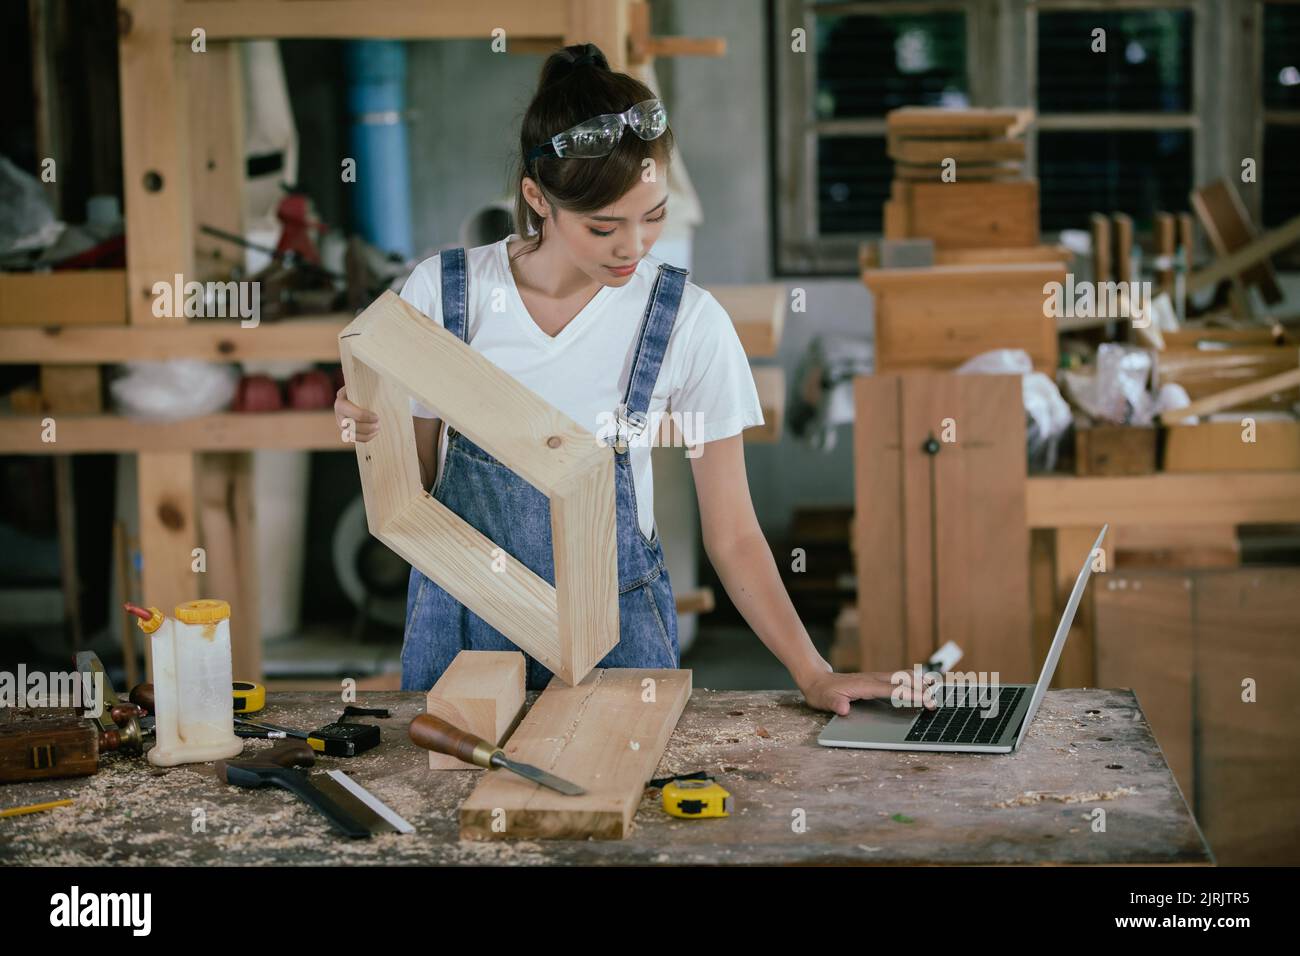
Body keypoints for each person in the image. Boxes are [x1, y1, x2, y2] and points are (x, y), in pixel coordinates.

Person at [334, 43, 930, 715]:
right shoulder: (446, 295)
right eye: (603, 226)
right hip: (464, 628)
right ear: (536, 198)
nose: (633, 247)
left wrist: (813, 671)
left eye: (652, 217)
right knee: (445, 806)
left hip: (613, 641)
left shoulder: (684, 322)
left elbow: (733, 534)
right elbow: (415, 496)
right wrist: (371, 427)